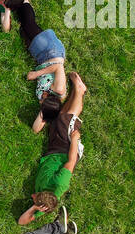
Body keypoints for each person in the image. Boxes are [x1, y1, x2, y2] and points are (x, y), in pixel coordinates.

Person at [20, 71, 88, 224]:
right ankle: (79, 90)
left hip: (53, 152)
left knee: (58, 120)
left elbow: (22, 221)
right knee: (69, 118)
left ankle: (74, 92)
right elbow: (71, 162)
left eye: (34, 199)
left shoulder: (43, 204)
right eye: (35, 197)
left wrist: (33, 209)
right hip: (67, 149)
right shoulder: (60, 183)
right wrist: (75, 140)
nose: (32, 196)